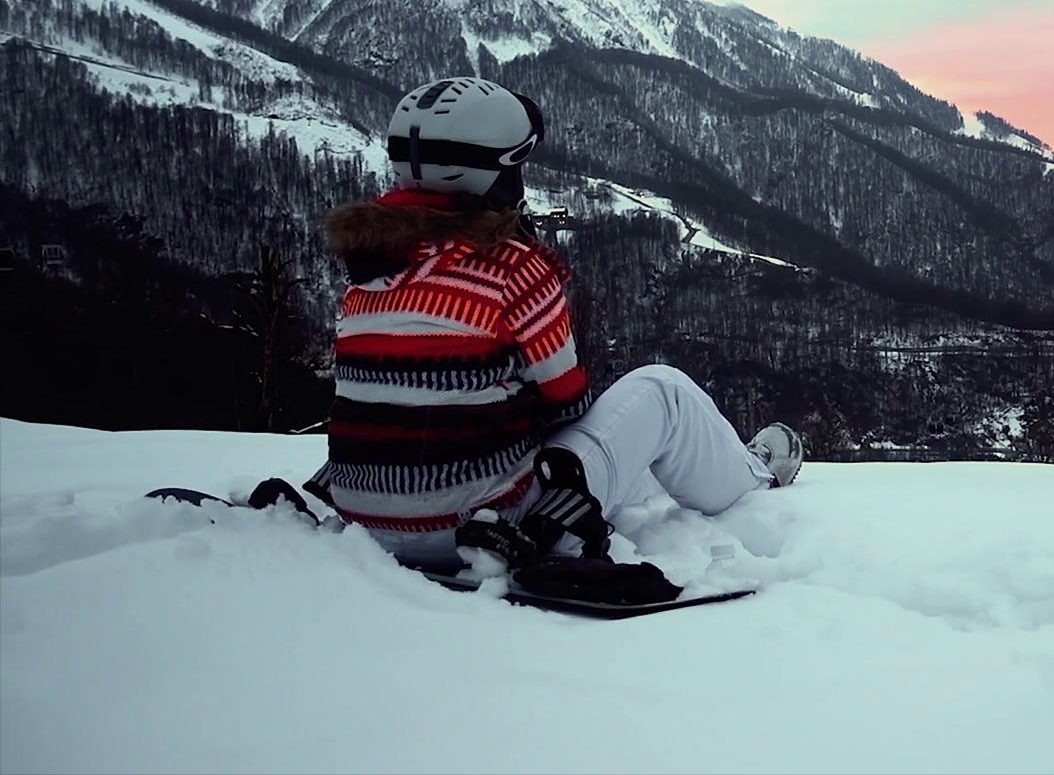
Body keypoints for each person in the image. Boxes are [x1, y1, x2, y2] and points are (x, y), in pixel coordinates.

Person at [301, 76, 802, 578]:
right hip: (490, 526)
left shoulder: (367, 266)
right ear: (497, 175)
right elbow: (566, 399)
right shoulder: (511, 266)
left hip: (366, 519)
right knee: (662, 391)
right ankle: (754, 476)